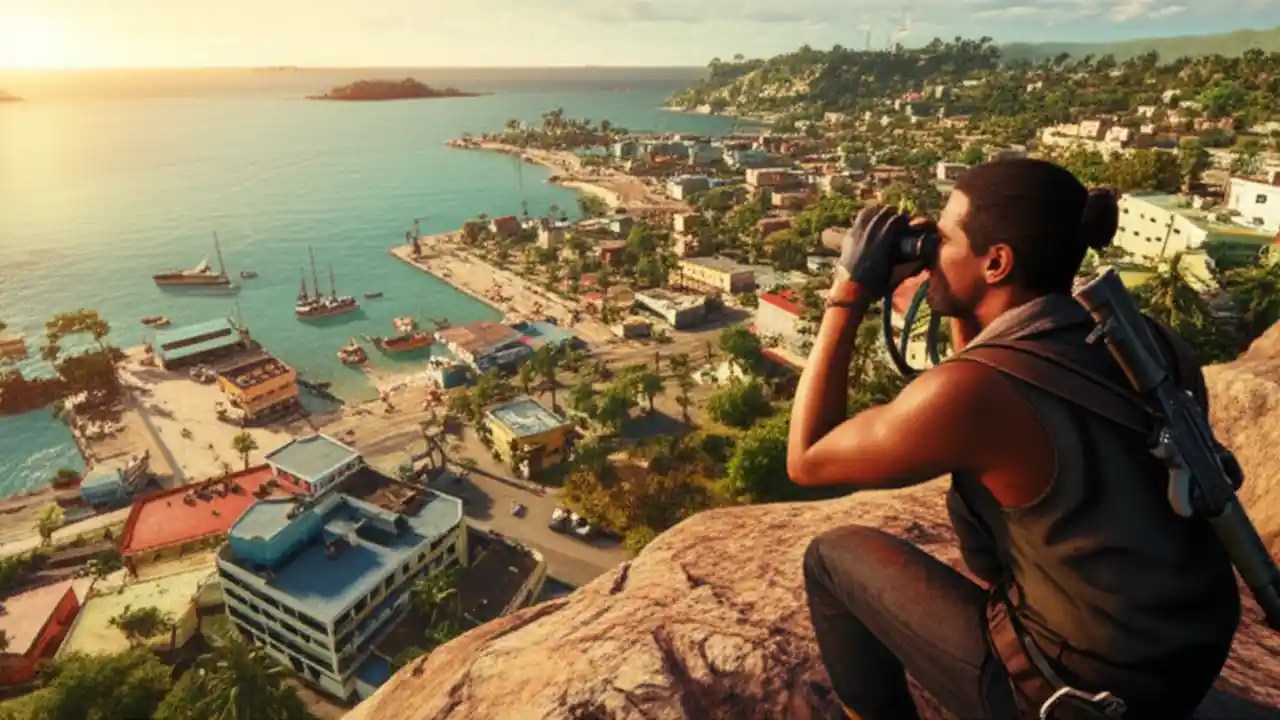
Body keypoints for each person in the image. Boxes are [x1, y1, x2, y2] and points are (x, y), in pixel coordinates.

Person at [788, 158, 1241, 720]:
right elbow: (992, 377)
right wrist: (957, 288)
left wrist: (848, 290)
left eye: (942, 238)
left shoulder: (976, 394)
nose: (928, 249)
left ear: (997, 262)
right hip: (1185, 664)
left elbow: (806, 459)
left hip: (1076, 694)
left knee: (831, 557)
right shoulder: (1147, 341)